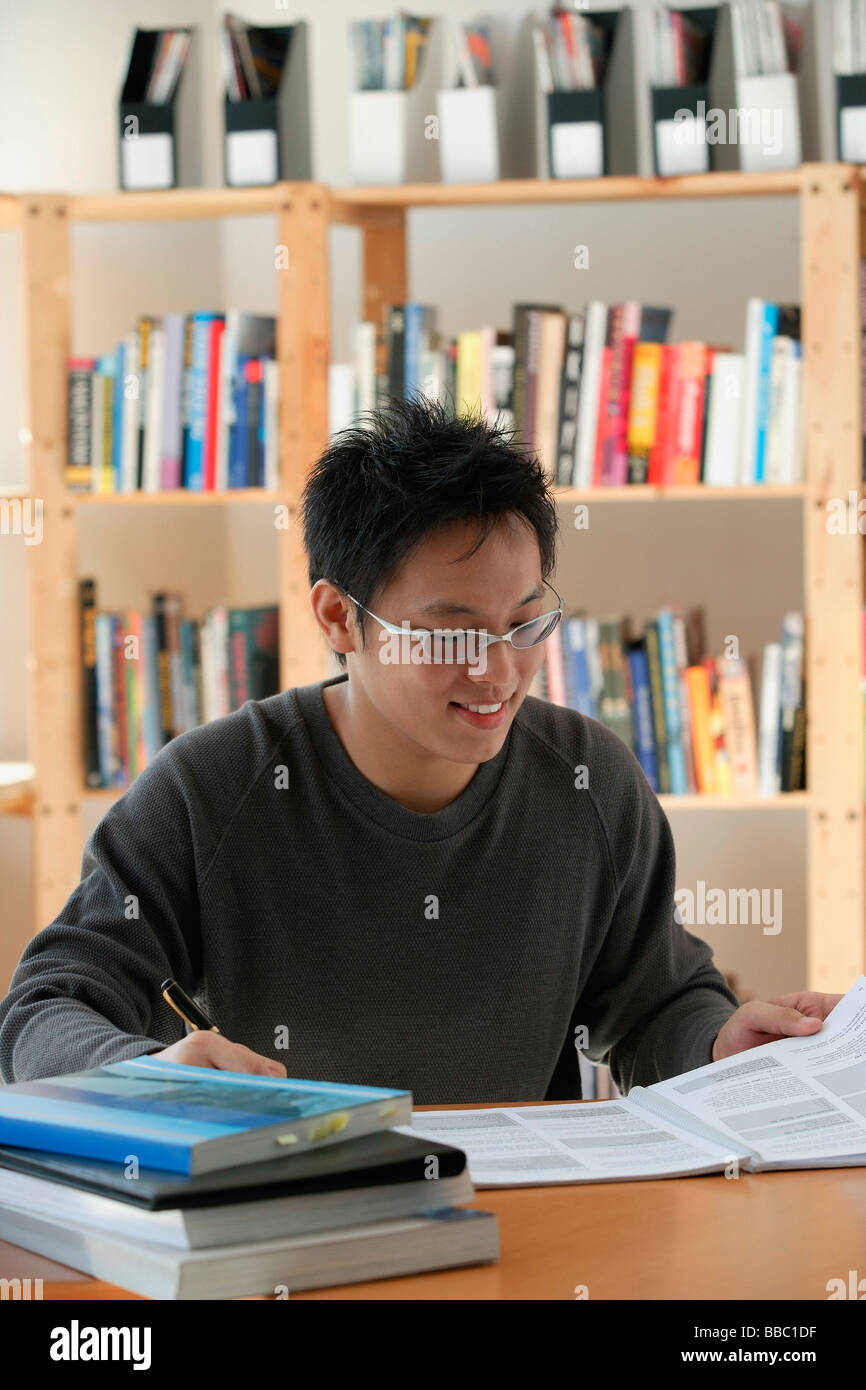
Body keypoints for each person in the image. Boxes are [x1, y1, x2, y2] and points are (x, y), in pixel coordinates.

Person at [0, 397, 839, 1100]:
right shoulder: (213, 788)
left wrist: (724, 1039)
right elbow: (45, 1010)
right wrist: (145, 1076)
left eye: (523, 624)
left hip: (526, 1229)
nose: (498, 671)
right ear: (339, 619)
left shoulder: (590, 780)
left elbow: (654, 1008)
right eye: (451, 633)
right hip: (282, 1225)